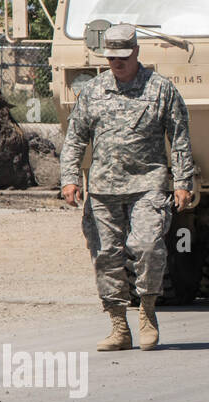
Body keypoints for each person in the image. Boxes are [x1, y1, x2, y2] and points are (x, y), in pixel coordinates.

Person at [59, 24, 194, 351]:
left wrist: (183, 181)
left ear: (136, 52)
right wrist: (70, 178)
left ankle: (147, 312)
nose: (116, 63)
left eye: (122, 56)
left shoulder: (160, 89)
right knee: (106, 255)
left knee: (147, 246)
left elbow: (179, 138)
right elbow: (75, 138)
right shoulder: (93, 90)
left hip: (149, 184)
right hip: (104, 189)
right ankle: (119, 325)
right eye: (111, 57)